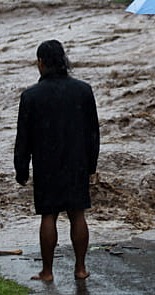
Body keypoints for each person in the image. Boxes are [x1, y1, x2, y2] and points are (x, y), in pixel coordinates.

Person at [15, 40, 100, 281]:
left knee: (49, 215)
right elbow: (93, 131)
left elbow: (24, 138)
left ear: (40, 63)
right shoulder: (83, 91)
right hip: (77, 162)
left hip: (46, 163)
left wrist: (21, 170)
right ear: (64, 61)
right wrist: (91, 164)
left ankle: (48, 271)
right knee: (78, 214)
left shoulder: (31, 96)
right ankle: (81, 268)